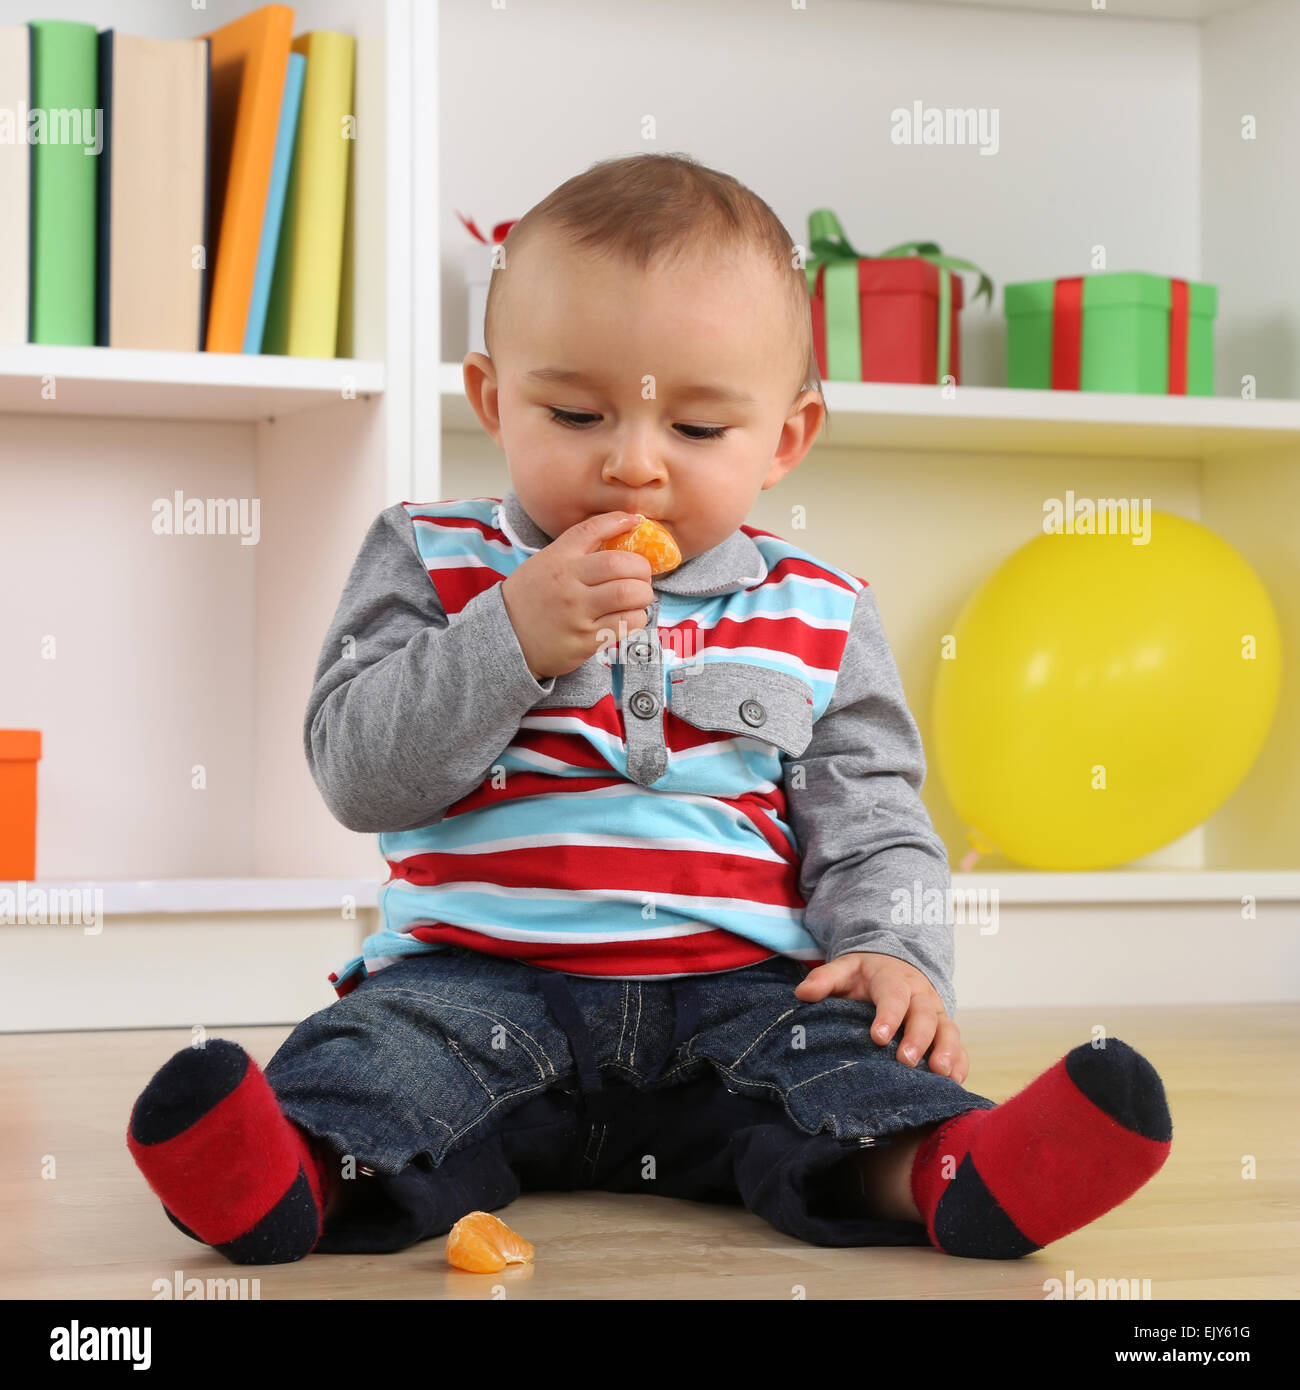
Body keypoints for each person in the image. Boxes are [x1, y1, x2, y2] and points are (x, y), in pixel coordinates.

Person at [127, 153, 1171, 1266]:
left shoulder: (819, 608)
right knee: (371, 1059)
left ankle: (943, 1170)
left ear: (785, 438)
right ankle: (292, 1180)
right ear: (491, 399)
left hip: (736, 996)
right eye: (574, 411)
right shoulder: (432, 559)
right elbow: (356, 773)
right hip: (471, 979)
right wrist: (510, 637)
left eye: (699, 429)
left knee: (845, 1062)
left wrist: (892, 948)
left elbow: (872, 812)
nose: (632, 465)